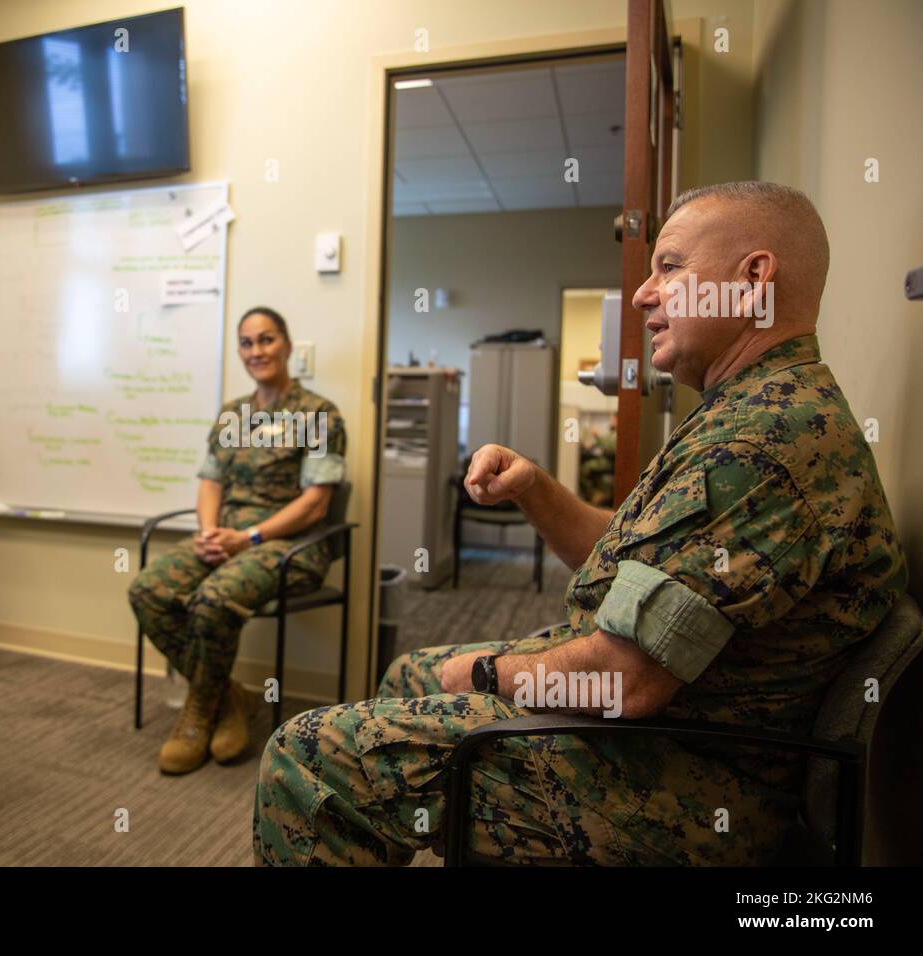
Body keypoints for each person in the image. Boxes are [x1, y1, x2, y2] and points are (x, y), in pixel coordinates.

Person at [254, 181, 907, 865]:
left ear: (752, 281)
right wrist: (534, 488)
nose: (644, 293)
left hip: (687, 782)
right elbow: (636, 571)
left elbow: (624, 681)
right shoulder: (745, 410)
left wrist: (484, 672)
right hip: (670, 731)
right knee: (410, 674)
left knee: (304, 759)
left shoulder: (761, 444)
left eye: (671, 267)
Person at [130, 307, 346, 774]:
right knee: (147, 589)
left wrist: (247, 537)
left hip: (287, 548)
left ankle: (197, 715)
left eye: (266, 340)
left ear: (287, 345)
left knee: (213, 599)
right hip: (226, 539)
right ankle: (229, 699)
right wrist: (209, 533)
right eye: (247, 343)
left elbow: (315, 504)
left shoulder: (318, 414)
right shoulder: (234, 414)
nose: (257, 351)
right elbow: (210, 483)